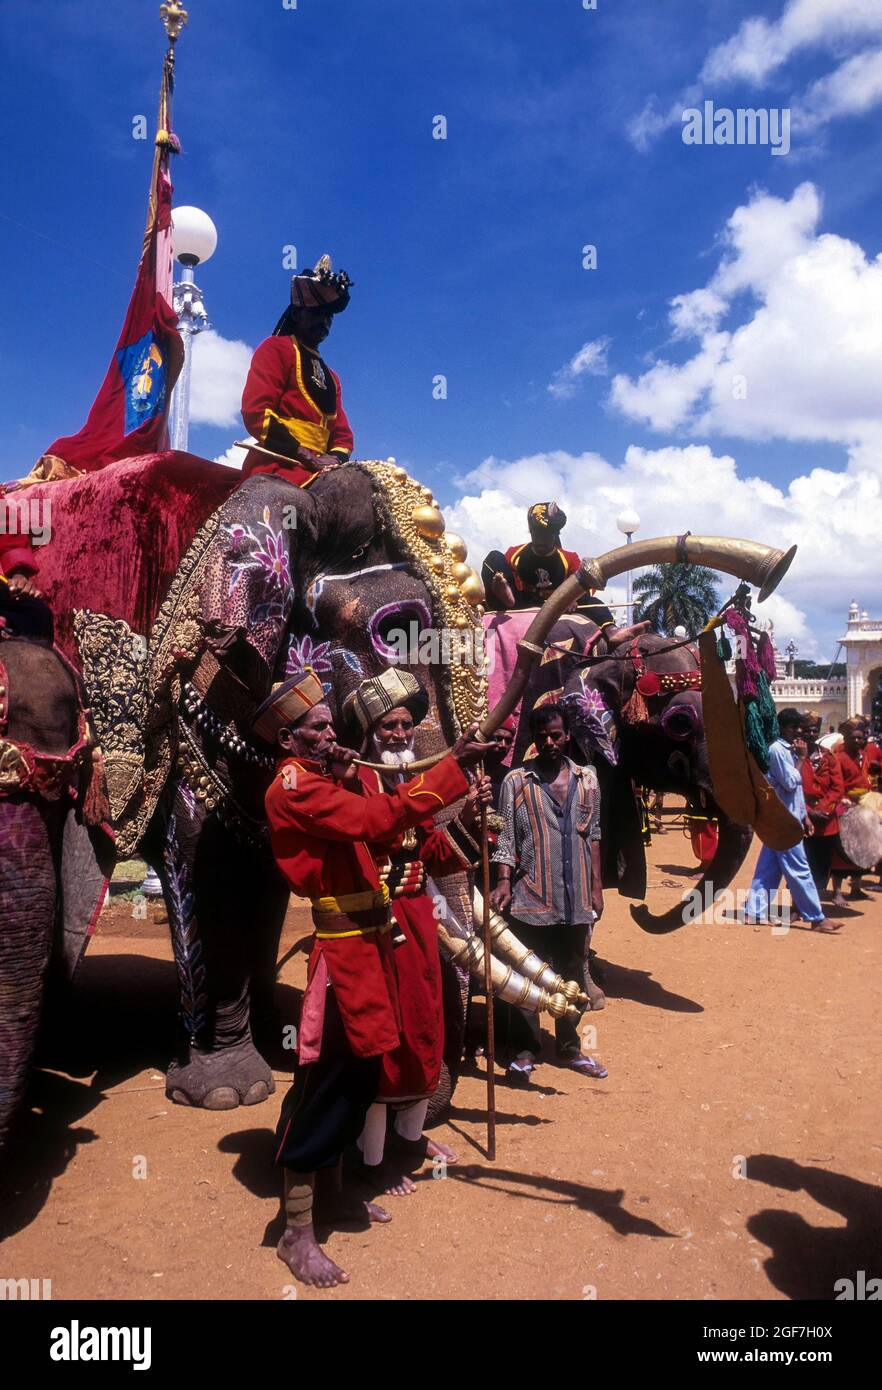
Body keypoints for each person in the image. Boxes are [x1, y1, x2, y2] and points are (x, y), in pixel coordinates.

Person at [258, 669, 487, 1289]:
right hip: (342, 958)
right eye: (318, 726)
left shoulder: (330, 779)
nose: (333, 732)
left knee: (362, 1073)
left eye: (332, 722)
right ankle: (296, 1231)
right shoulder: (296, 788)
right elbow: (378, 818)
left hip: (374, 947)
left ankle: (336, 1195)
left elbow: (394, 824)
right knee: (329, 1081)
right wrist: (453, 768)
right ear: (290, 740)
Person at [344, 669, 492, 1195]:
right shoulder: (355, 785)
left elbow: (431, 852)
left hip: (417, 922)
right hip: (372, 928)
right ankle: (372, 1159)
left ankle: (408, 1143)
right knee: (384, 1037)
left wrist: (469, 819)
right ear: (369, 733)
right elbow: (382, 828)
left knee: (422, 1025)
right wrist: (454, 772)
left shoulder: (412, 784)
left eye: (407, 724)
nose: (400, 734)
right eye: (389, 725)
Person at [490, 702, 607, 1084]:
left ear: (567, 735)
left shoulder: (587, 779)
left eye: (556, 734)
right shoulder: (516, 782)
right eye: (541, 736)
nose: (549, 742)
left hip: (575, 902)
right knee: (529, 973)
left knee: (572, 972)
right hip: (531, 898)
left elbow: (593, 836)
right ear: (533, 740)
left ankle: (571, 1047)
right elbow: (506, 837)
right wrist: (504, 880)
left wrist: (596, 888)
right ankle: (526, 1050)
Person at [240, 254, 354, 490]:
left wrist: (333, 459)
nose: (324, 320)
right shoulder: (276, 349)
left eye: (328, 315)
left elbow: (342, 436)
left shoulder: (332, 377)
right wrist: (305, 456)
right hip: (278, 463)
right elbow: (256, 412)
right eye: (316, 312)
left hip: (323, 470)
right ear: (296, 314)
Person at [481, 501, 649, 645]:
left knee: (591, 598)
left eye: (545, 536)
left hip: (558, 604)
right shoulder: (516, 553)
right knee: (494, 557)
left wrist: (572, 597)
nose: (540, 540)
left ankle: (612, 631)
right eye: (535, 534)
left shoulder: (568, 557)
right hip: (520, 601)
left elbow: (588, 587)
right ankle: (504, 594)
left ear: (555, 535)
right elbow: (501, 567)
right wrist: (501, 583)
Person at [743, 708, 839, 933]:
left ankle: (753, 912)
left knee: (769, 868)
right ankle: (817, 918)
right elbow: (789, 782)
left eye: (800, 728)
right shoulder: (777, 750)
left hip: (787, 818)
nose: (798, 732)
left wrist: (804, 817)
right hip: (783, 821)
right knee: (800, 869)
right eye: (793, 727)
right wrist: (802, 759)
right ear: (782, 728)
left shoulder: (790, 750)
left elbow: (795, 793)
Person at [800, 715, 845, 897]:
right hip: (803, 820)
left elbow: (837, 787)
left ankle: (814, 905)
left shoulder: (828, 756)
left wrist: (822, 810)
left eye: (814, 731)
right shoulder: (794, 755)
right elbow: (791, 788)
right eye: (807, 730)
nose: (811, 734)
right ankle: (797, 905)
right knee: (803, 863)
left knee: (822, 863)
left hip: (826, 821)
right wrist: (809, 812)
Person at [830, 717, 874, 904]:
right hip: (845, 808)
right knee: (842, 851)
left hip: (863, 807)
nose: (858, 741)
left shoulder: (864, 756)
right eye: (853, 738)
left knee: (862, 850)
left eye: (860, 738)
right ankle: (837, 891)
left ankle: (856, 887)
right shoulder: (838, 758)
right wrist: (845, 801)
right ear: (845, 739)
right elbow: (836, 784)